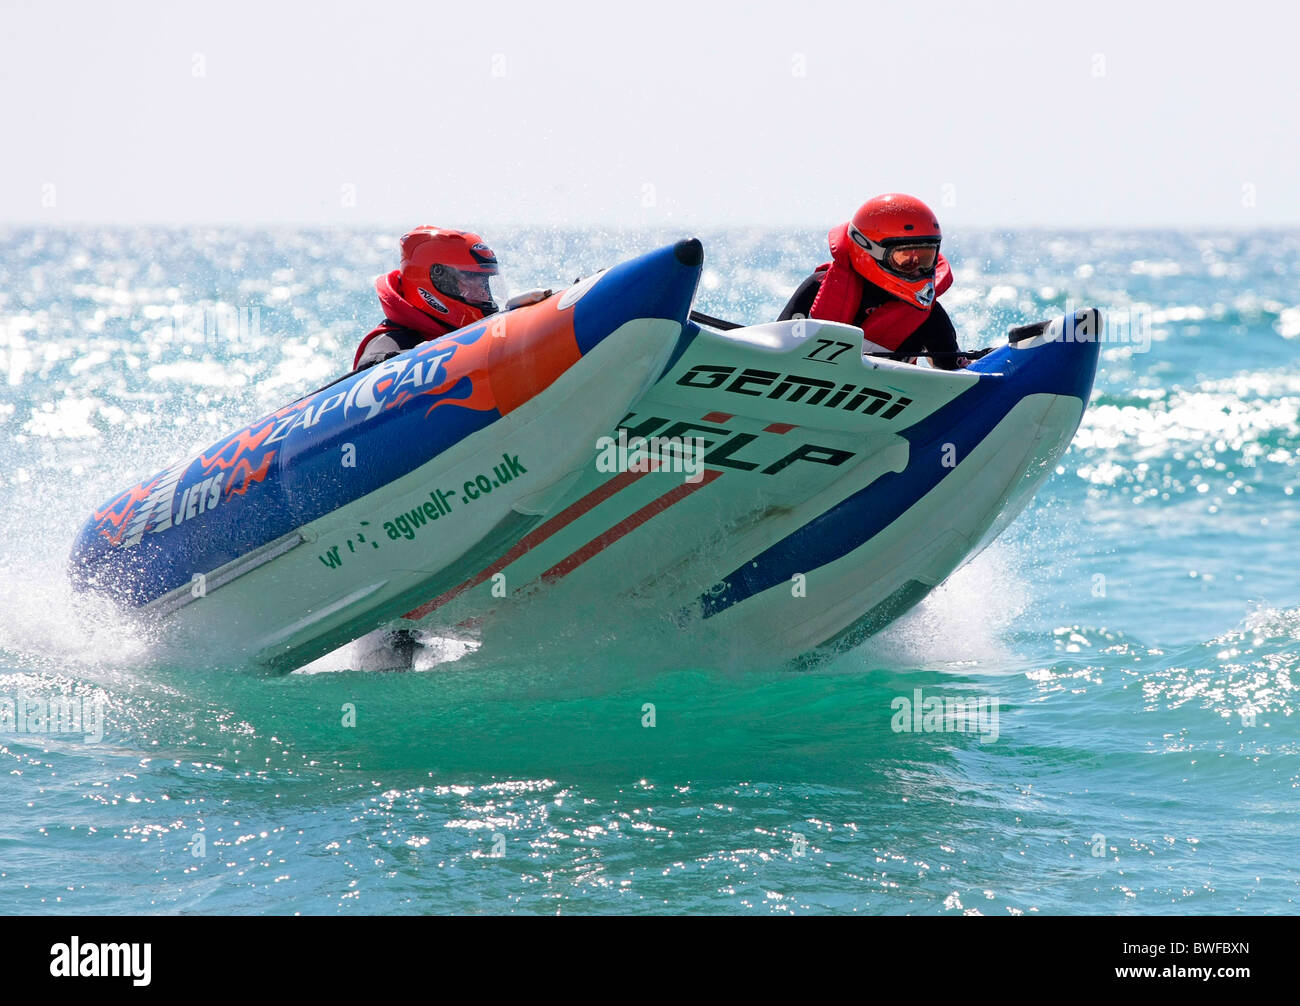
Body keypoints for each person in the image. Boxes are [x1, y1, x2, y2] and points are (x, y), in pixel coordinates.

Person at [779, 193, 970, 370]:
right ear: (868, 250)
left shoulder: (927, 314)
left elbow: (955, 376)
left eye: (925, 258)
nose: (918, 269)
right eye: (905, 259)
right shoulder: (817, 286)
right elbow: (773, 350)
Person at [353, 226, 500, 371]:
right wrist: (420, 359)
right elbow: (371, 366)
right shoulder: (389, 342)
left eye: (484, 284)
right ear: (439, 281)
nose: (484, 295)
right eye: (471, 283)